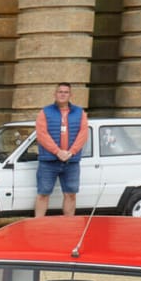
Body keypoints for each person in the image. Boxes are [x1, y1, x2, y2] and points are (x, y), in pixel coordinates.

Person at [33, 83, 88, 218]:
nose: (63, 94)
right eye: (60, 92)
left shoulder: (80, 113)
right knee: (43, 194)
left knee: (70, 194)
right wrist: (58, 152)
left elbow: (83, 134)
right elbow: (42, 135)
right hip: (49, 161)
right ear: (55, 94)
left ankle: (68, 226)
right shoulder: (44, 112)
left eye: (66, 92)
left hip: (71, 161)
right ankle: (38, 225)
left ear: (70, 95)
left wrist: (71, 152)